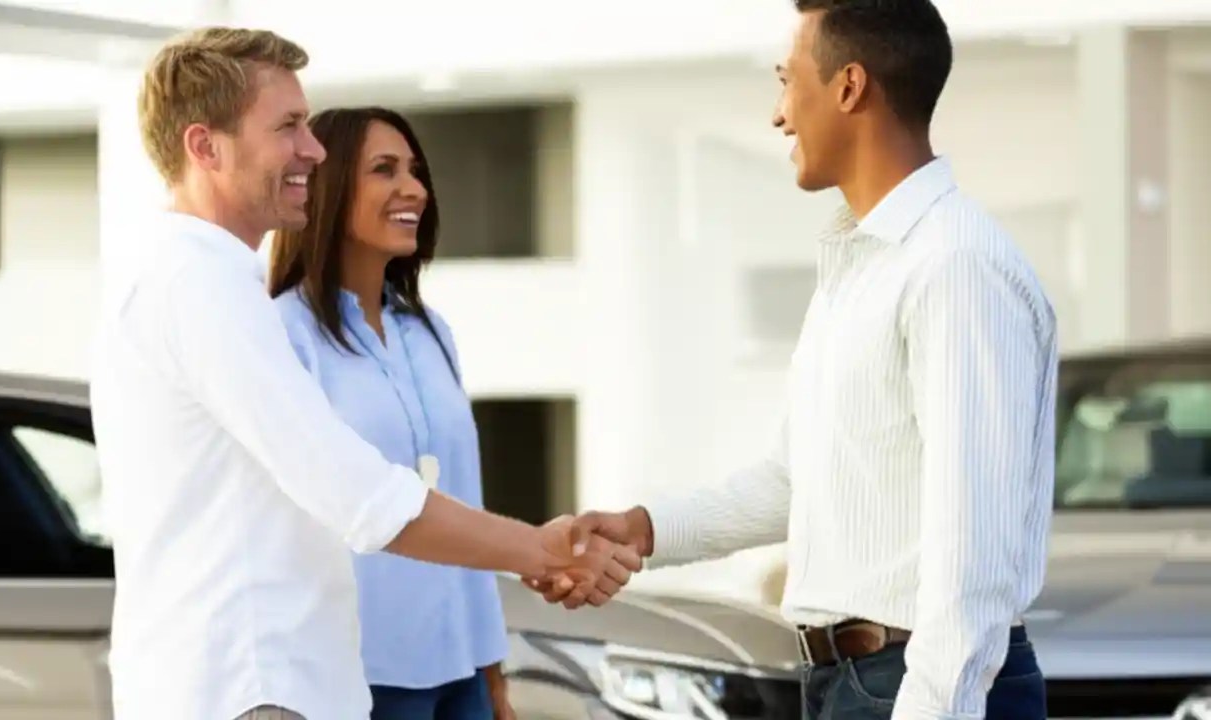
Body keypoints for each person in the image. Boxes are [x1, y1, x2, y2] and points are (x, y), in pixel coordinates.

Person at [90, 28, 637, 720]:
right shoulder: (200, 287)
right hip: (250, 689)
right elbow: (356, 490)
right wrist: (539, 549)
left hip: (281, 685)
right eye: (288, 127)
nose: (312, 151)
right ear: (206, 147)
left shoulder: (209, 281)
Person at [534, 1, 1059, 719]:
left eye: (786, 81)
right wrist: (644, 529)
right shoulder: (859, 264)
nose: (779, 114)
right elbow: (797, 480)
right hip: (853, 682)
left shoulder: (954, 267)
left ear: (848, 87)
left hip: (922, 688)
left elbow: (972, 559)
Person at [266, 106, 574, 720]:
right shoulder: (283, 335)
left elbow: (464, 496)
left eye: (415, 170)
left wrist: (492, 674)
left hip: (459, 672)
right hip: (356, 676)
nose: (415, 189)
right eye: (385, 170)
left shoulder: (431, 332)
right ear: (328, 189)